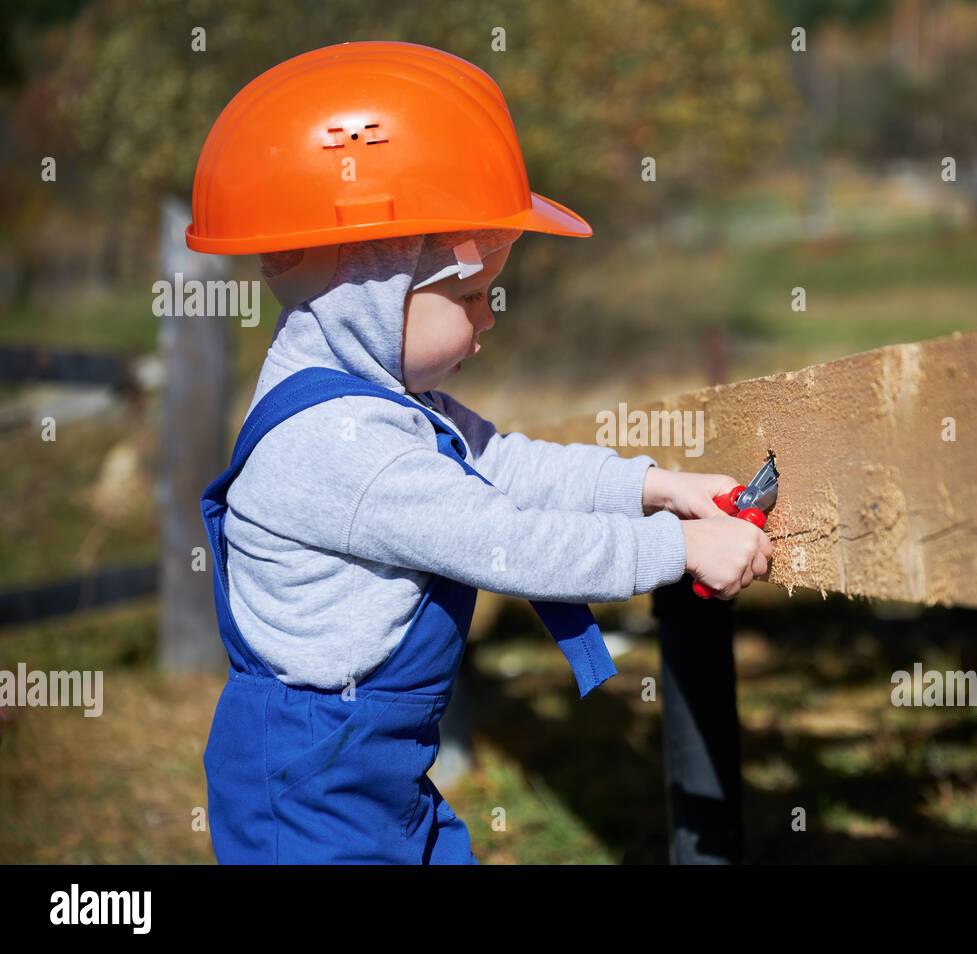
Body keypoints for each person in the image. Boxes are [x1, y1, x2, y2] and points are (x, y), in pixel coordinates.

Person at [187, 41, 771, 863]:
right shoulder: (344, 449)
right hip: (311, 798)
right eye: (468, 296)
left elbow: (509, 466)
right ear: (373, 289)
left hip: (375, 777)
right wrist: (678, 550)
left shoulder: (382, 406)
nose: (488, 318)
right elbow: (513, 542)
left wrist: (657, 487)